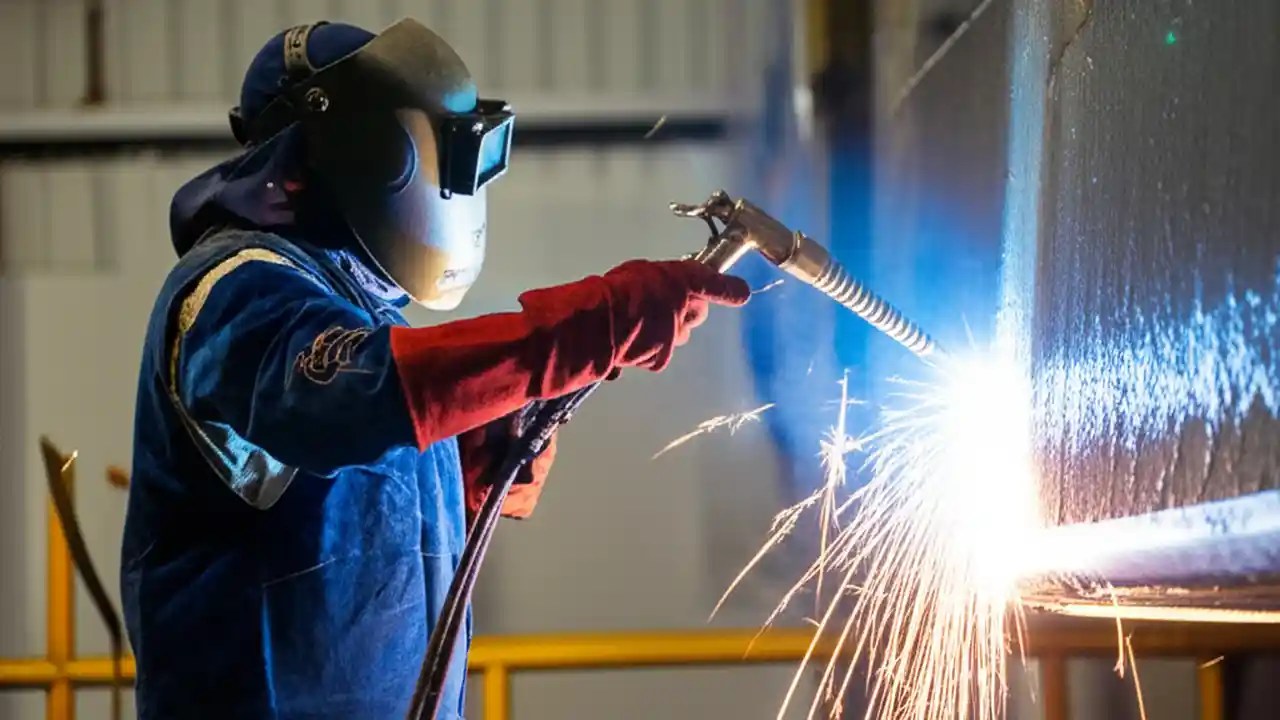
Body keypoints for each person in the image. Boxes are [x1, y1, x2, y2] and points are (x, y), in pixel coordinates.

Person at [120, 19, 750, 720]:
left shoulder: (364, 319)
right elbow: (355, 395)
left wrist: (471, 474)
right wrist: (582, 330)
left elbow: (358, 468)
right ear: (359, 146)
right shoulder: (233, 292)